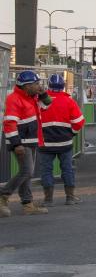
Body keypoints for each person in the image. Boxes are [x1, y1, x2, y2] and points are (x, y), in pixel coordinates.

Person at [2, 70, 50, 216]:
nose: (38, 86)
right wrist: (17, 144)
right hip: (21, 142)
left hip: (30, 140)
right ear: (26, 86)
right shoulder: (14, 99)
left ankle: (28, 204)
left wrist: (42, 94)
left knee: (28, 173)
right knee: (27, 171)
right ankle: (3, 195)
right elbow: (9, 123)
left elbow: (46, 105)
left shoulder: (31, 97)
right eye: (36, 84)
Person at [39, 74, 85, 206]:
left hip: (45, 143)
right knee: (67, 169)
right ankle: (70, 197)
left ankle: (48, 200)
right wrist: (72, 133)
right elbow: (79, 122)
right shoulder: (68, 101)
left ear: (49, 86)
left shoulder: (40, 101)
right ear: (63, 86)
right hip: (65, 143)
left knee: (46, 170)